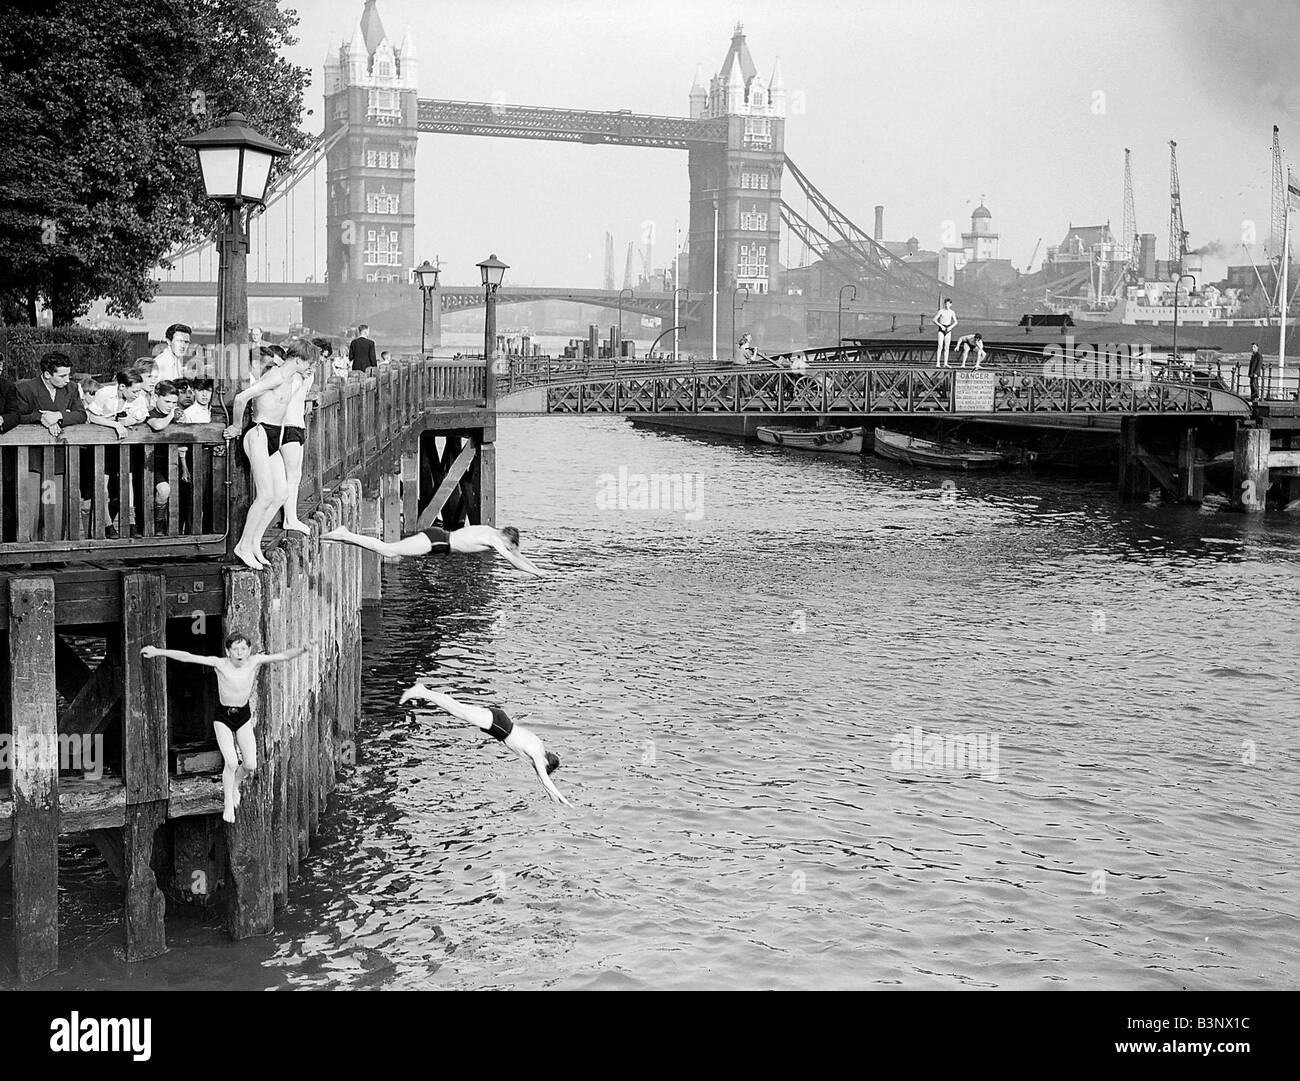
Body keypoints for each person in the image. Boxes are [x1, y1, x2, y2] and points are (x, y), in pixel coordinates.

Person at [140, 633, 311, 822]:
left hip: (243, 717)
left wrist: (303, 649)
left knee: (250, 765)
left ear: (249, 650)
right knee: (231, 762)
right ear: (228, 651)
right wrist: (158, 652)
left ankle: (235, 784)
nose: (240, 653)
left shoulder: (254, 661)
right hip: (222, 717)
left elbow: (283, 656)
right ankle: (228, 803)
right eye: (235, 649)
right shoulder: (220, 664)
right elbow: (188, 656)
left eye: (243, 649)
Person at [222, 339, 316, 569]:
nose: (310, 367)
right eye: (308, 363)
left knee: (281, 493)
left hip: (276, 435)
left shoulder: (292, 377)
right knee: (265, 494)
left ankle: (254, 542)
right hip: (258, 432)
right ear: (297, 360)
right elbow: (241, 398)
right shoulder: (276, 376)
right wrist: (235, 427)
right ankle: (242, 545)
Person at [398, 685, 570, 806]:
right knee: (457, 710)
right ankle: (421, 691)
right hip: (499, 726)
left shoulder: (539, 748)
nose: (537, 767)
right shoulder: (539, 757)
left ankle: (423, 692)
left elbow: (542, 780)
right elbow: (546, 780)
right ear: (547, 763)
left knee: (458, 708)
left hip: (501, 721)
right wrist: (564, 800)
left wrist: (552, 797)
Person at [16, 352, 86, 540]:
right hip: (32, 459)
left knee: (54, 505)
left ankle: (52, 547)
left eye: (68, 375)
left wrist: (59, 416)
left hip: (58, 458)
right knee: (31, 506)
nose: (67, 379)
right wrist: (41, 418)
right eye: (62, 375)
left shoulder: (71, 388)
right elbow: (17, 416)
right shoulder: (26, 388)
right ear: (47, 374)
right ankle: (28, 548)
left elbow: (81, 414)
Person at [322, 521, 545, 576]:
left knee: (389, 550)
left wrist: (540, 569)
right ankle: (344, 534)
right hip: (437, 541)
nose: (507, 549)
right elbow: (512, 560)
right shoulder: (493, 537)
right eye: (509, 546)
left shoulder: (492, 531)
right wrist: (535, 572)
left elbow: (516, 554)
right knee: (388, 550)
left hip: (438, 543)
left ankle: (338, 539)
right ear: (508, 539)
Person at [274, 338, 316, 535]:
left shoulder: (301, 378)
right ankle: (289, 518)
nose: (311, 367)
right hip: (289, 427)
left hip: (295, 426)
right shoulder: (291, 378)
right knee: (292, 475)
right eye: (308, 363)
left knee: (293, 474)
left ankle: (289, 516)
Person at [933, 299, 957, 368]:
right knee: (940, 345)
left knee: (947, 346)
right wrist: (940, 325)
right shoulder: (941, 311)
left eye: (948, 304)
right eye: (946, 304)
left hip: (948, 329)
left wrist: (951, 327)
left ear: (950, 304)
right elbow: (934, 319)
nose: (947, 305)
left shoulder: (952, 312)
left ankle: (945, 363)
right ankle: (938, 363)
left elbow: (955, 322)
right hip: (941, 329)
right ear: (944, 304)